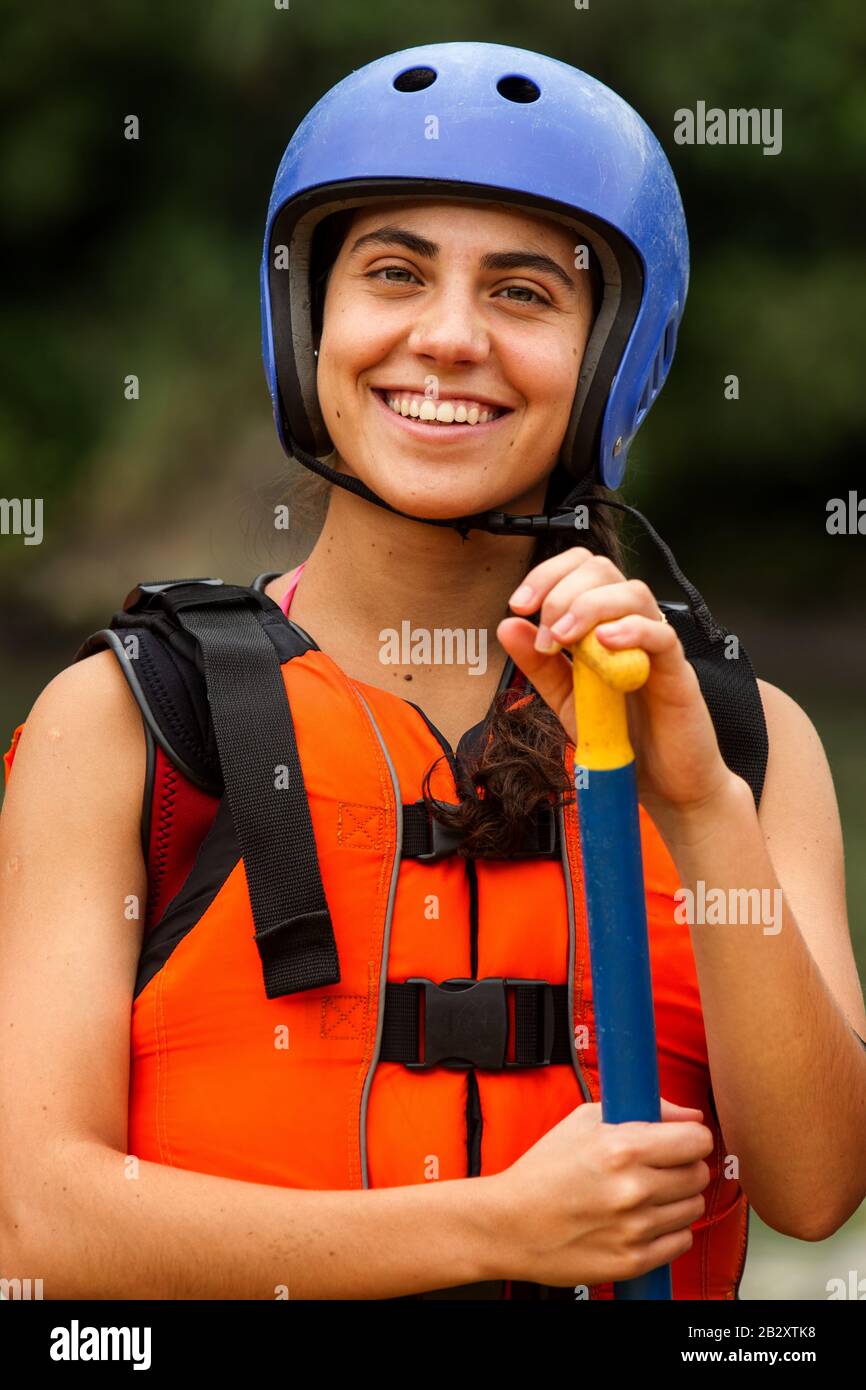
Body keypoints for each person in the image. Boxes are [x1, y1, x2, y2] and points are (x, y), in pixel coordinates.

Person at [2, 42, 865, 1303]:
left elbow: (813, 1186)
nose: (447, 337)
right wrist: (497, 1231)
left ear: (616, 355)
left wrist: (697, 809)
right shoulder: (131, 720)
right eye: (394, 273)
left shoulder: (740, 738)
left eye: (523, 293)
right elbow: (32, 1224)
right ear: (308, 322)